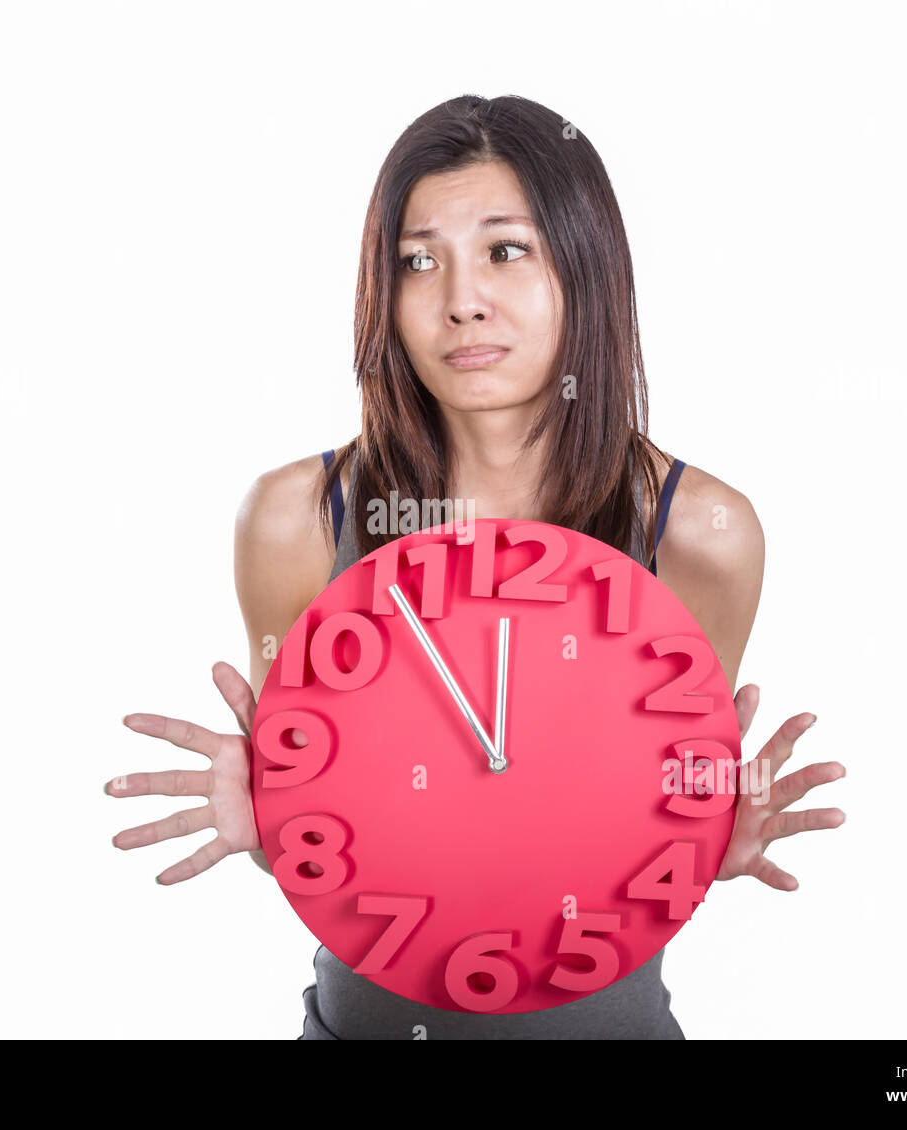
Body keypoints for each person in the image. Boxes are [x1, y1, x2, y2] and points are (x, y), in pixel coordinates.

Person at [106, 94, 846, 1038]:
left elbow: (636, 831)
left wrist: (703, 840)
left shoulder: (699, 532)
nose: (461, 299)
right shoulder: (299, 519)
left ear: (586, 264)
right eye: (419, 260)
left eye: (507, 250)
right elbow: (329, 842)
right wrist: (269, 829)